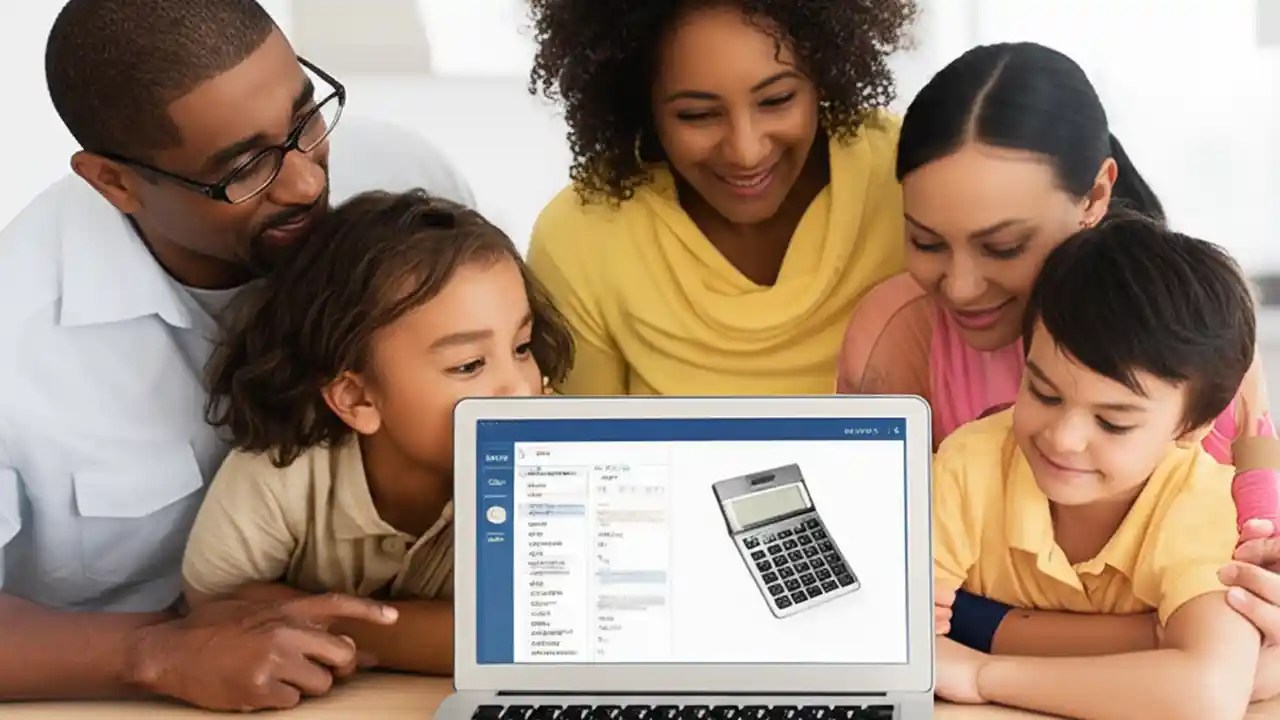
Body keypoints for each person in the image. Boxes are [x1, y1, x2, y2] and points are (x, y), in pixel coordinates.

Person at [0, 0, 471, 710]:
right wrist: (152, 654)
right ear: (114, 182)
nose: (308, 182)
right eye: (245, 168)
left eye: (306, 119)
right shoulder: (17, 335)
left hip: (397, 675)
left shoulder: (405, 182)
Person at [835, 41, 1280, 660]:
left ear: (1096, 196)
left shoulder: (1184, 329)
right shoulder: (896, 336)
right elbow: (882, 586)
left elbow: (1234, 599)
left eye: (1003, 246)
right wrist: (1160, 638)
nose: (960, 286)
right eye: (926, 242)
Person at [180, 189, 573, 677]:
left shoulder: (558, 456)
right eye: (469, 365)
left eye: (522, 347)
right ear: (357, 399)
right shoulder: (282, 467)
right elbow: (216, 611)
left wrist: (336, 625)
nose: (519, 390)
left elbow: (546, 634)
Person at [932, 213, 1267, 717]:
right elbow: (894, 640)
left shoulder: (1198, 501)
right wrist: (1150, 647)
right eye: (1043, 393)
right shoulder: (969, 465)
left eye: (1113, 423)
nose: (1063, 439)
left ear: (1192, 428)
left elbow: (1207, 693)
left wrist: (982, 674)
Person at [524, 0, 917, 396]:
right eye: (697, 114)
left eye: (777, 100)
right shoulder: (580, 238)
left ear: (823, 74)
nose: (746, 152)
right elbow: (584, 450)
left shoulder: (911, 178)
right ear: (640, 103)